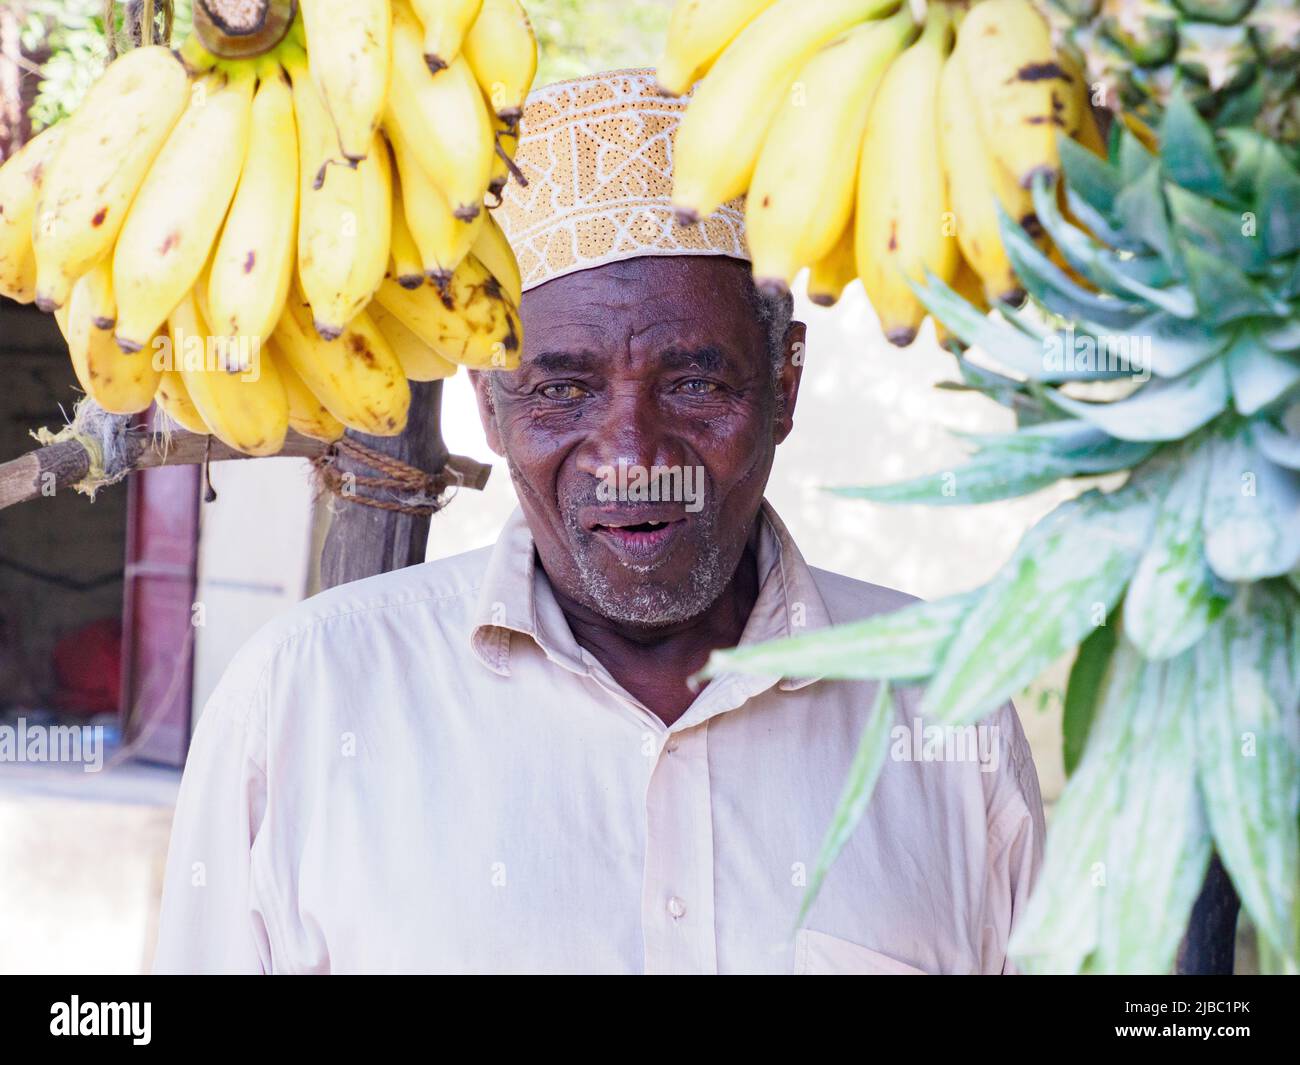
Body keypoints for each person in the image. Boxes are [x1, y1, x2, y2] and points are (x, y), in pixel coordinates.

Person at [153, 69, 1044, 975]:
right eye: (563, 390)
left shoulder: (947, 712)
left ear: (784, 385)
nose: (630, 453)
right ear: (491, 409)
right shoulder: (303, 699)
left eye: (694, 384)